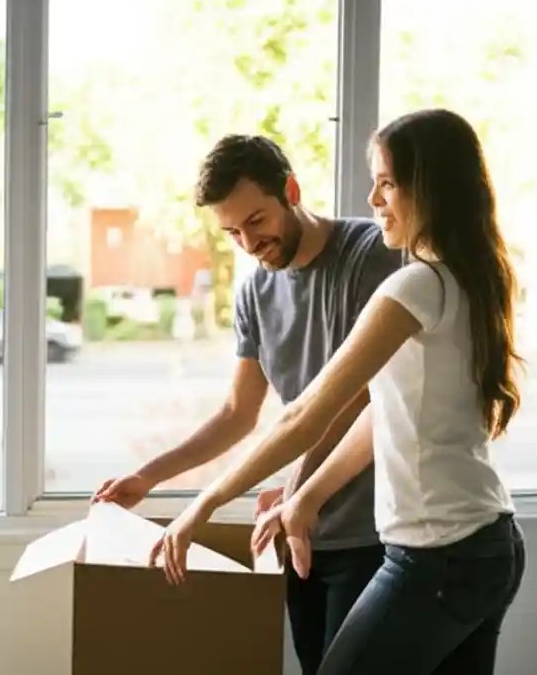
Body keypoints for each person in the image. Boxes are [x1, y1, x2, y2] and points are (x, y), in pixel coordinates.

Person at [150, 108, 528, 674]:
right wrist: (303, 498)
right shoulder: (464, 278)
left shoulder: (414, 285)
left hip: (438, 556)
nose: (374, 200)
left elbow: (305, 415)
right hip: (486, 545)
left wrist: (205, 502)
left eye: (387, 183)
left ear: (429, 188)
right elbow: (383, 416)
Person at [92, 133, 401, 673]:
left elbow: (353, 402)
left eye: (256, 221)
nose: (248, 242)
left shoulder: (370, 256)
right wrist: (149, 477)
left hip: (375, 532)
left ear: (291, 190)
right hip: (301, 534)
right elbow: (239, 413)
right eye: (232, 231)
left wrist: (293, 489)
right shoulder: (255, 293)